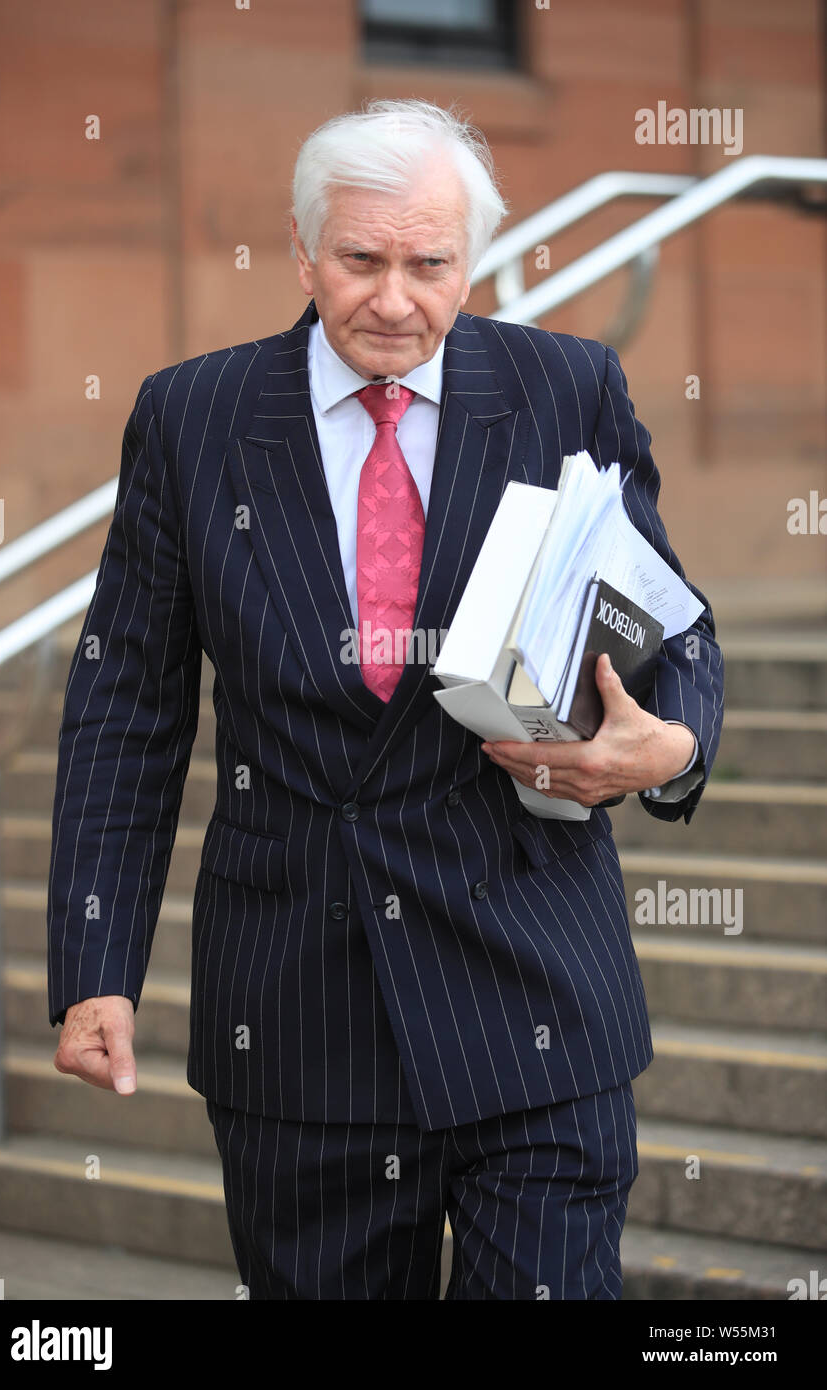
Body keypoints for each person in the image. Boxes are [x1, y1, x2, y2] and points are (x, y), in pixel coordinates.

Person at [47, 99, 723, 1300]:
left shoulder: (568, 385)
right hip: (298, 1019)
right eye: (362, 260)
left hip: (536, 998)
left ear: (472, 259)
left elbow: (667, 624)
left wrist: (664, 747)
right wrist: (97, 961)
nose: (396, 299)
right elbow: (127, 705)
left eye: (431, 263)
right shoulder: (192, 417)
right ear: (303, 253)